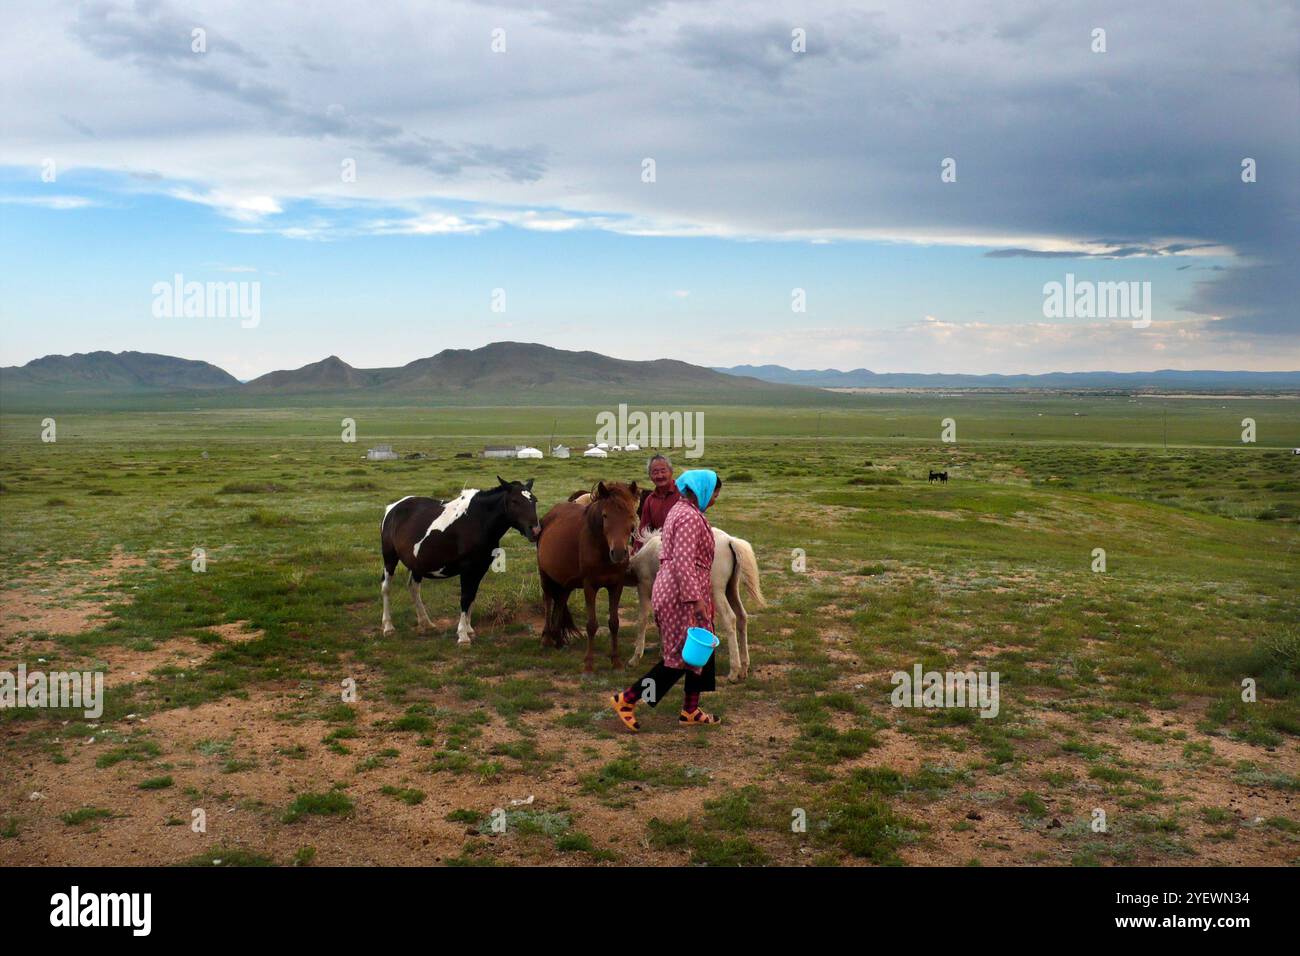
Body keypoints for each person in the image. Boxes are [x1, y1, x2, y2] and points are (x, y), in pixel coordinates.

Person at [610, 469, 723, 729]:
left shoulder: (683, 510)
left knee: (700, 651)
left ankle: (691, 711)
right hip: (679, 594)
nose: (715, 499)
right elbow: (683, 561)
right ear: (703, 490)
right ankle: (627, 699)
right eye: (714, 493)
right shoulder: (687, 518)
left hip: (685, 588)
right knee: (677, 658)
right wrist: (695, 599)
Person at [634, 453, 681, 552]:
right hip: (661, 550)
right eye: (655, 472)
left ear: (671, 472)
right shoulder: (650, 500)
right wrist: (635, 553)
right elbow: (643, 530)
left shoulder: (683, 492)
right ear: (650, 476)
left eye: (663, 471)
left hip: (684, 544)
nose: (660, 476)